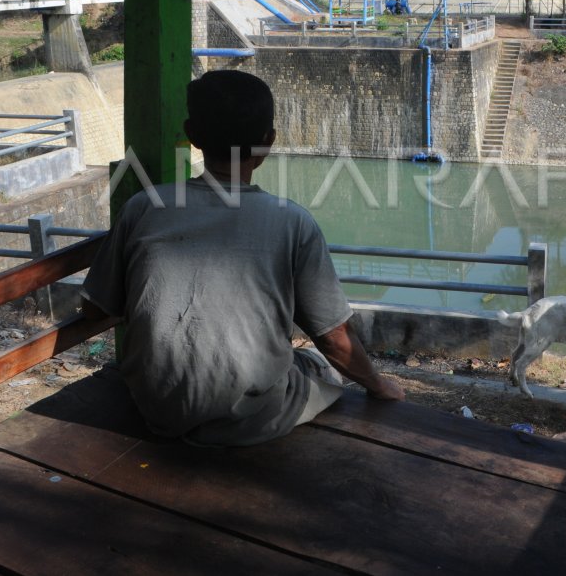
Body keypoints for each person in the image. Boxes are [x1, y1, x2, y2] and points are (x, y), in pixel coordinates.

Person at [82, 70, 403, 446]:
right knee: (317, 367)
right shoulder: (293, 222)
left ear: (193, 135)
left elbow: (95, 308)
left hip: (158, 409)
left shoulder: (144, 207)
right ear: (268, 142)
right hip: (253, 419)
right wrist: (380, 386)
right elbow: (333, 338)